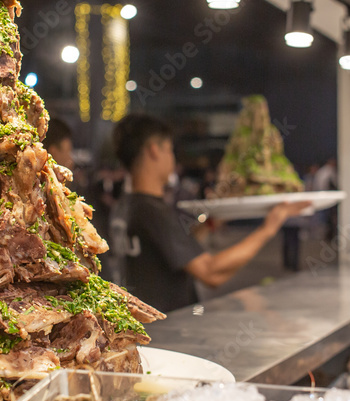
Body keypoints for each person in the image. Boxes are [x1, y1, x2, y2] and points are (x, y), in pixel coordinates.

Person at [111, 114, 310, 312]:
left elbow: (174, 252)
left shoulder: (126, 206)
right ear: (155, 150)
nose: (172, 158)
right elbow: (211, 273)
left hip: (140, 325)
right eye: (170, 150)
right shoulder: (153, 212)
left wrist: (213, 221)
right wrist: (268, 228)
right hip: (167, 329)